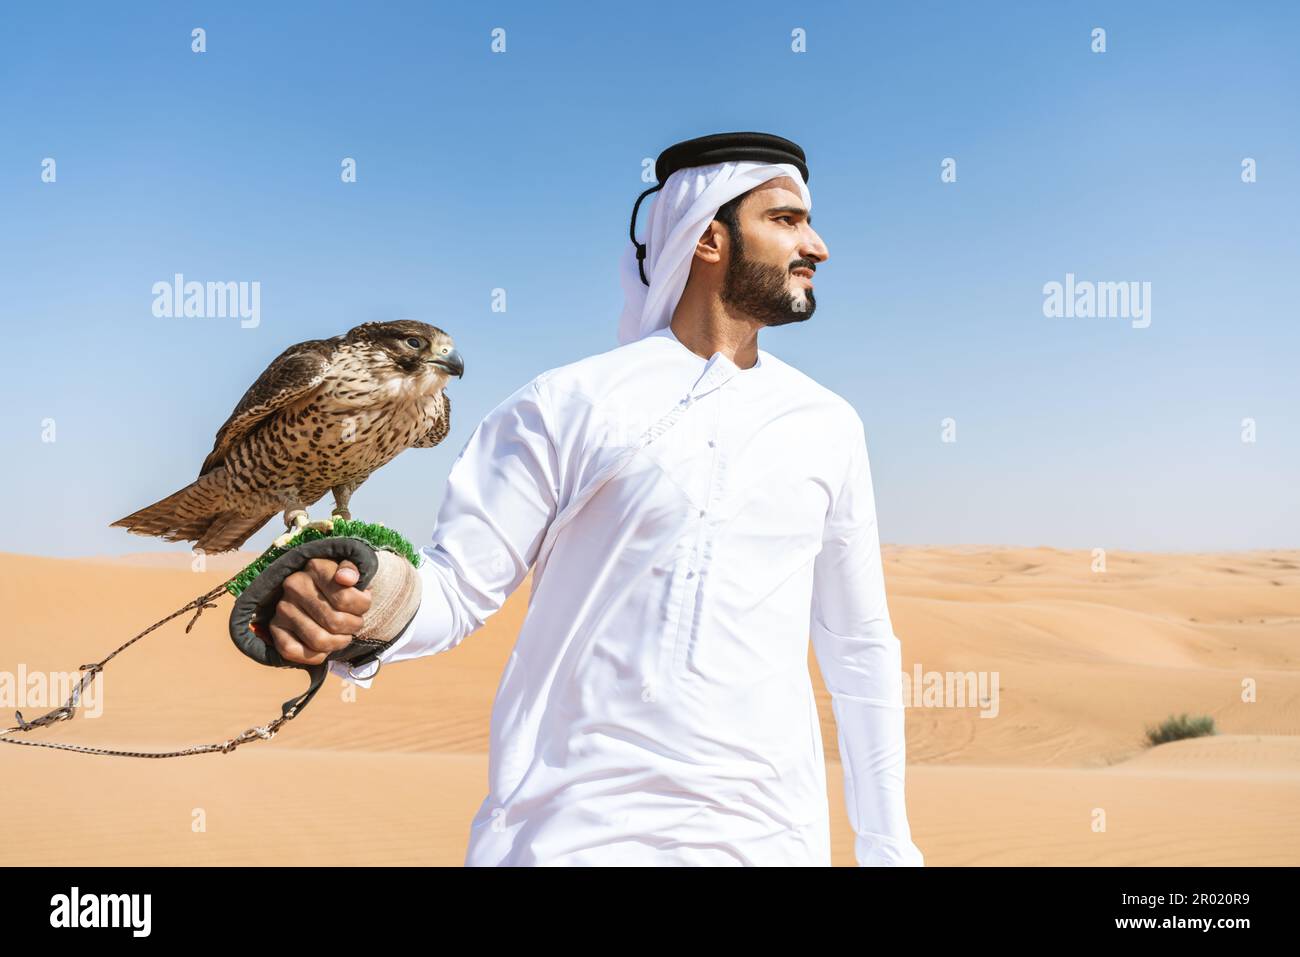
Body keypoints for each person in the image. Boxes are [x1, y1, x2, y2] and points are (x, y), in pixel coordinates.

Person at [264, 132, 925, 867]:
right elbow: (455, 592)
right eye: (787, 220)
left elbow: (859, 646)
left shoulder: (827, 426)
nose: (818, 245)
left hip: (768, 844)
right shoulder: (564, 404)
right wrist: (363, 601)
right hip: (571, 840)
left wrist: (889, 847)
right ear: (709, 236)